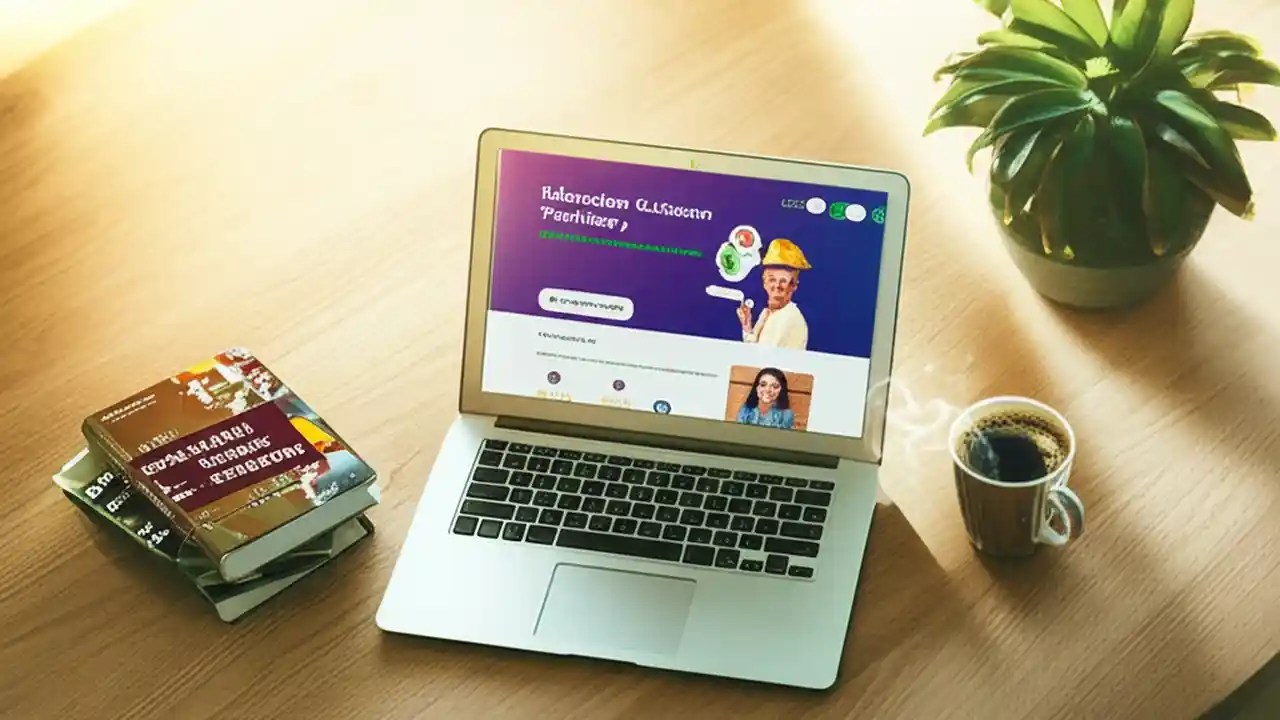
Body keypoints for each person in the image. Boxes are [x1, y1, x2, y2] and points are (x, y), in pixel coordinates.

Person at [738, 238, 810, 350]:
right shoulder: (766, 313)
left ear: (794, 286)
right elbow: (754, 351)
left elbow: (762, 357)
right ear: (764, 282)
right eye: (772, 279)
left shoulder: (790, 319)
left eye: (783, 281)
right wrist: (747, 327)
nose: (777, 286)